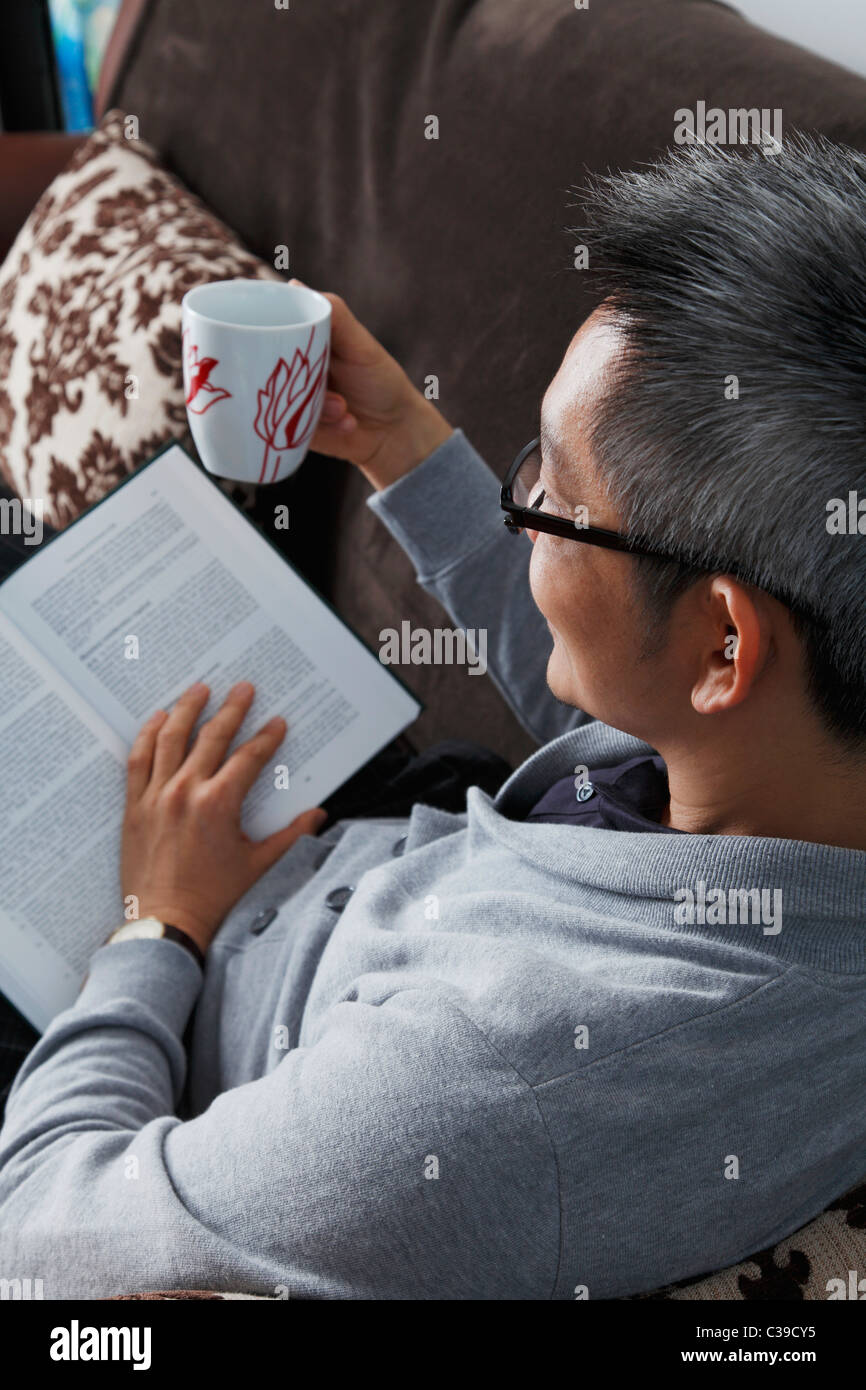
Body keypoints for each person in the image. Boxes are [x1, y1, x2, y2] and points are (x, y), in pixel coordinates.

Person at [0, 135, 864, 1300]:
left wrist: (156, 928)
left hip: (157, 1010)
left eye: (555, 495)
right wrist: (399, 442)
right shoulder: (790, 760)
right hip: (374, 842)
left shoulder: (480, 1097)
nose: (520, 517)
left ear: (725, 642)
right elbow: (637, 676)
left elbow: (46, 1238)